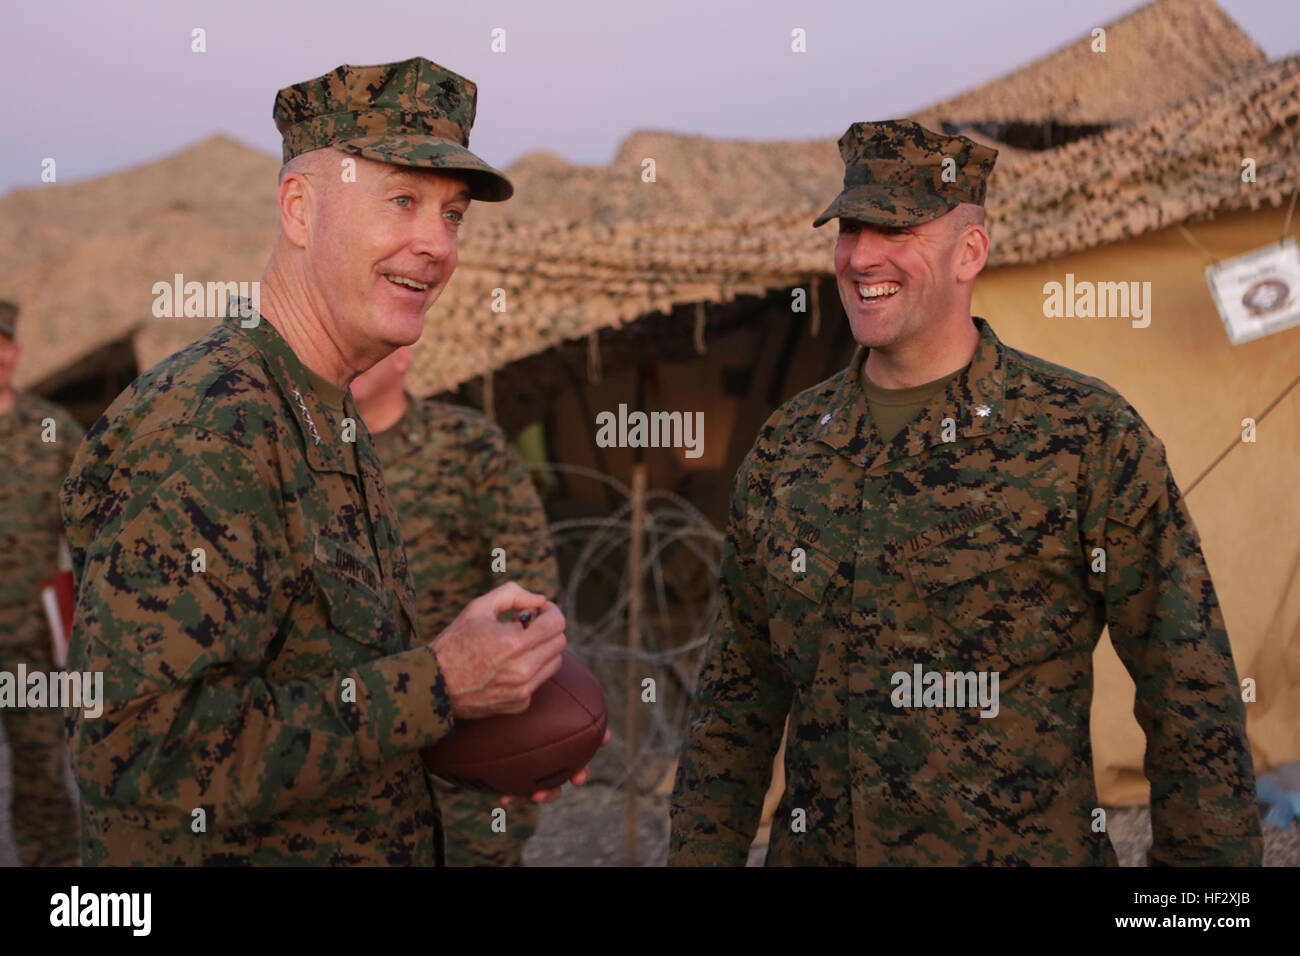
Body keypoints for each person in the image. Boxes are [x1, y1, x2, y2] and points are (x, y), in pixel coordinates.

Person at [668, 119, 1262, 866]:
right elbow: (734, 703)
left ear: (970, 252)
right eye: (849, 228)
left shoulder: (1084, 436)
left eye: (895, 228)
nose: (860, 256)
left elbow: (1190, 689)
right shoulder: (788, 450)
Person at [60, 58, 588, 866]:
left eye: (452, 215)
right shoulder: (216, 418)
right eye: (402, 200)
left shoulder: (323, 409)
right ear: (300, 209)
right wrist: (439, 683)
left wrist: (481, 721)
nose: (436, 244)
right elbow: (134, 754)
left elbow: (317, 694)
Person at [351, 347, 557, 866]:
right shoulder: (297, 456)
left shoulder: (468, 445)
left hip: (467, 748)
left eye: (367, 346)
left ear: (401, 356)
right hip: (350, 747)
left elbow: (528, 588)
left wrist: (525, 730)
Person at [0, 300, 83, 865]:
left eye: (0, 341)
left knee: (42, 778)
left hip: (29, 640)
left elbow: (97, 512)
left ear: (16, 351)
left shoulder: (51, 430)